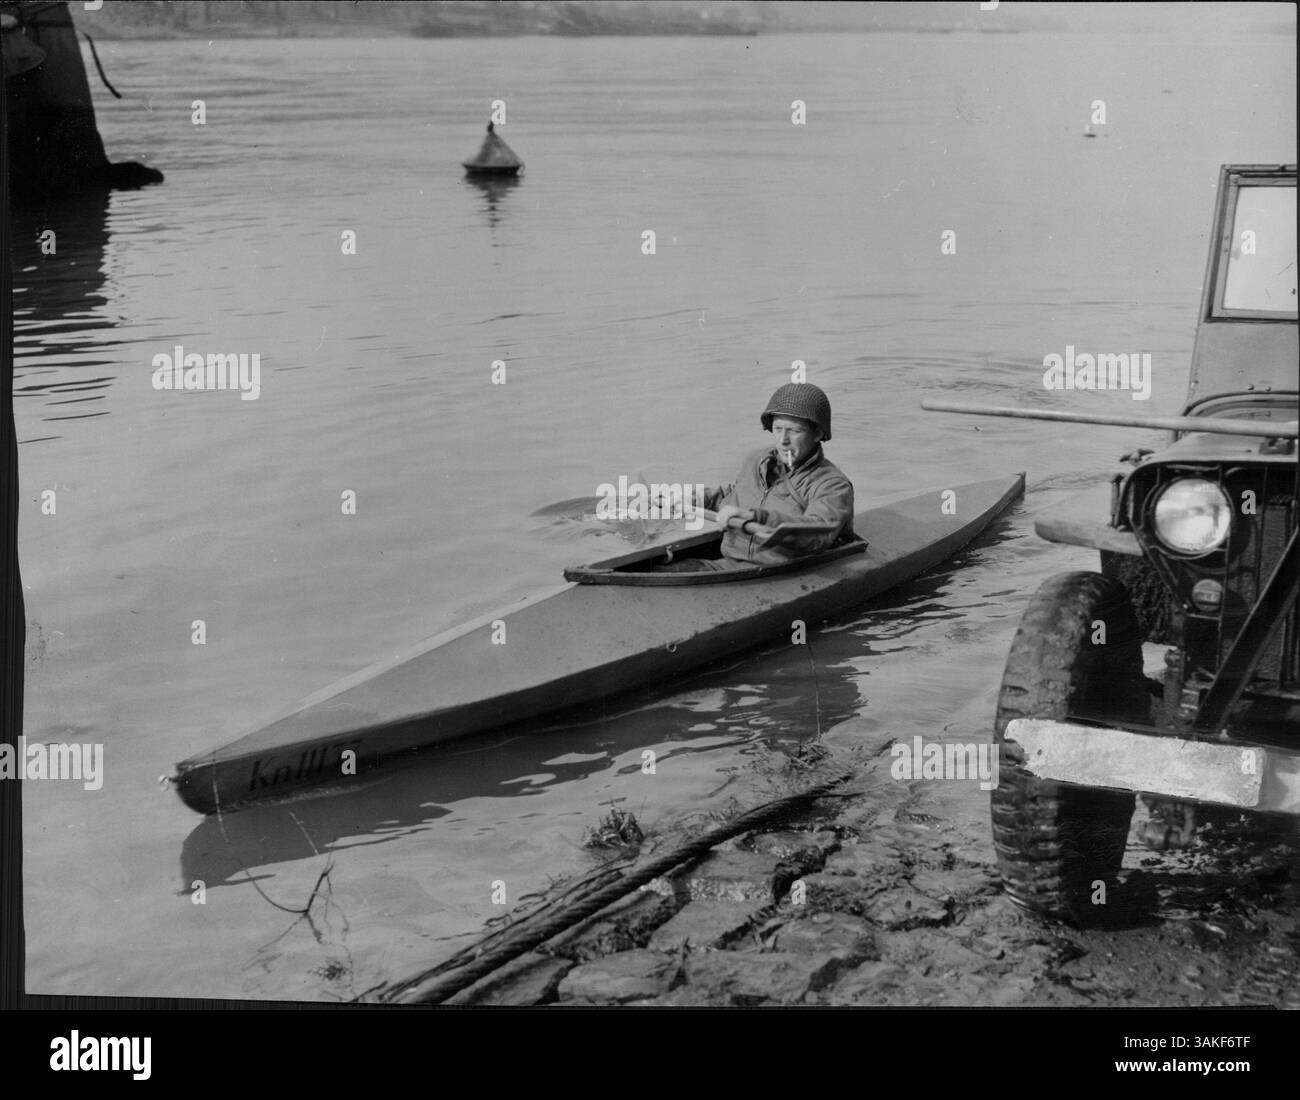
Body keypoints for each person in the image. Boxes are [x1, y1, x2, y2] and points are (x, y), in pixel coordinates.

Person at [659, 383, 855, 571]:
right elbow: (732, 495)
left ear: (817, 433)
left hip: (780, 574)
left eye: (794, 431)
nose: (783, 440)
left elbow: (817, 532)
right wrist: (690, 499)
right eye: (778, 429)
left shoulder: (832, 484)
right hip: (728, 564)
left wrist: (755, 516)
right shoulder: (757, 461)